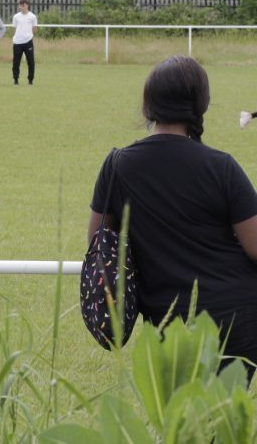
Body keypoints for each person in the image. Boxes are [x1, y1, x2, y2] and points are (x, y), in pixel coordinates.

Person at [89, 55, 257, 377]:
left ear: (148, 104)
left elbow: (99, 246)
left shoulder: (117, 166)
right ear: (201, 104)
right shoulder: (221, 166)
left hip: (168, 321)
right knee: (217, 423)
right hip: (237, 316)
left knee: (184, 424)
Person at [12, 0, 37, 85]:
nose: (22, 7)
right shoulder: (16, 17)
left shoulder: (32, 16)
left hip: (28, 42)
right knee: (16, 62)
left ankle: (30, 80)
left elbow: (34, 29)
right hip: (17, 42)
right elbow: (14, 29)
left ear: (27, 6)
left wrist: (27, 36)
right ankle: (16, 80)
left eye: (24, 5)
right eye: (21, 5)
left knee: (31, 61)